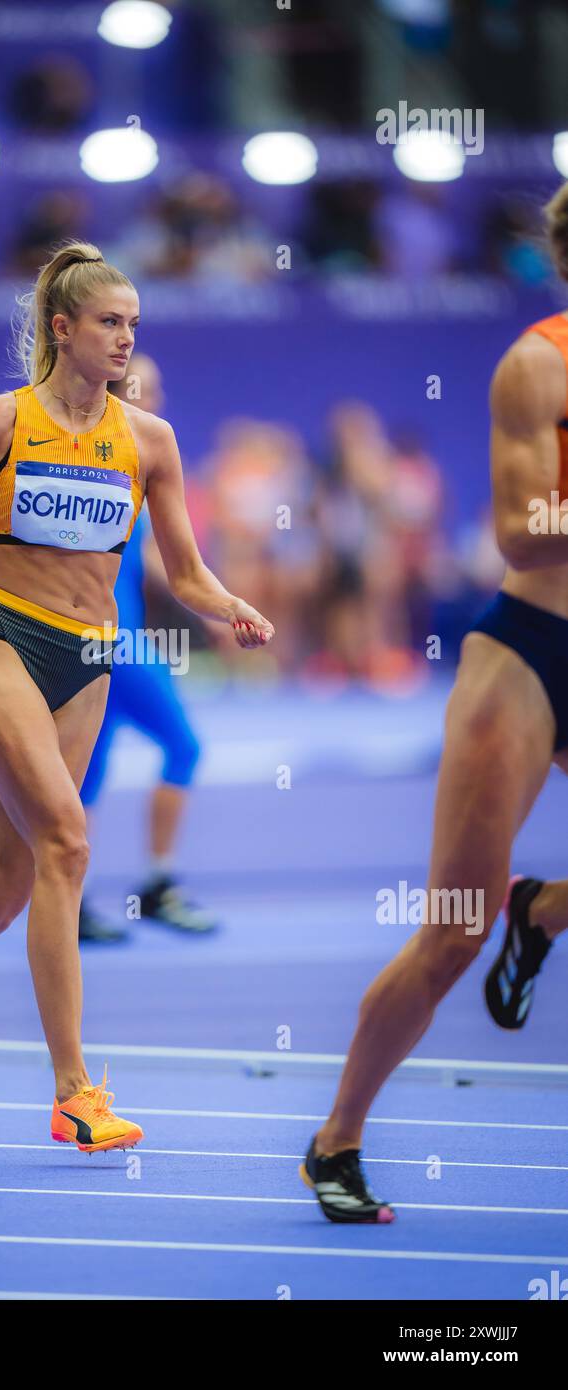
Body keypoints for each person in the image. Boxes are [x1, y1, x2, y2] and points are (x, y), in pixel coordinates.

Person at [0, 241, 273, 1153]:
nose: (126, 340)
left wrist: (229, 606)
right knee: (69, 846)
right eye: (111, 323)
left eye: (134, 325)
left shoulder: (148, 441)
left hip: (90, 663)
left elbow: (187, 572)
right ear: (63, 329)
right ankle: (75, 1092)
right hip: (0, 643)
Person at [301, 183, 568, 1223]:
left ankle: (541, 911)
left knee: (496, 915)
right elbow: (518, 525)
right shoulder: (535, 363)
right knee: (454, 928)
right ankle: (336, 1139)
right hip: (530, 652)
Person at [77, 353, 218, 943]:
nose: (156, 401)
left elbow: (157, 561)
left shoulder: (136, 461)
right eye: (144, 389)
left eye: (159, 389)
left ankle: (71, 902)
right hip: (109, 644)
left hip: (99, 643)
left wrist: (212, 604)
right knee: (183, 746)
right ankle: (157, 886)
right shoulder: (99, 462)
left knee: (88, 774)